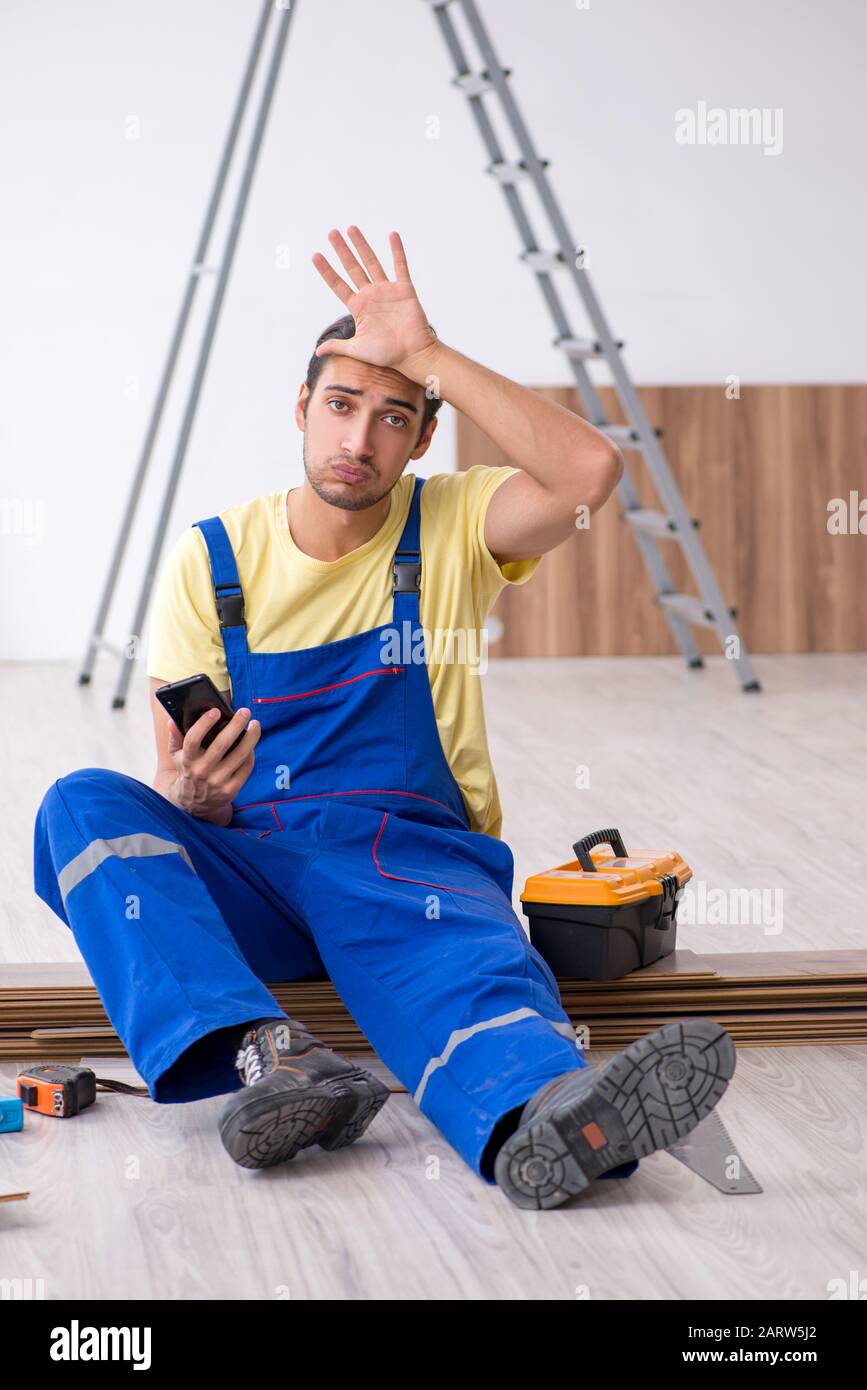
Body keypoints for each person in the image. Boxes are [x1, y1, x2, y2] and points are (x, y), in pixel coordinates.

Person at [33, 226, 735, 1210]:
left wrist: (430, 353)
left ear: (422, 436)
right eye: (342, 405)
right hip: (262, 868)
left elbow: (589, 475)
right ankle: (270, 1056)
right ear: (302, 409)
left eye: (394, 415)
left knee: (474, 971)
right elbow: (179, 788)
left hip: (408, 864)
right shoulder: (213, 558)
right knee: (79, 808)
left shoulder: (449, 521)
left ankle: (549, 1120)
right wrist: (194, 796)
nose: (359, 440)